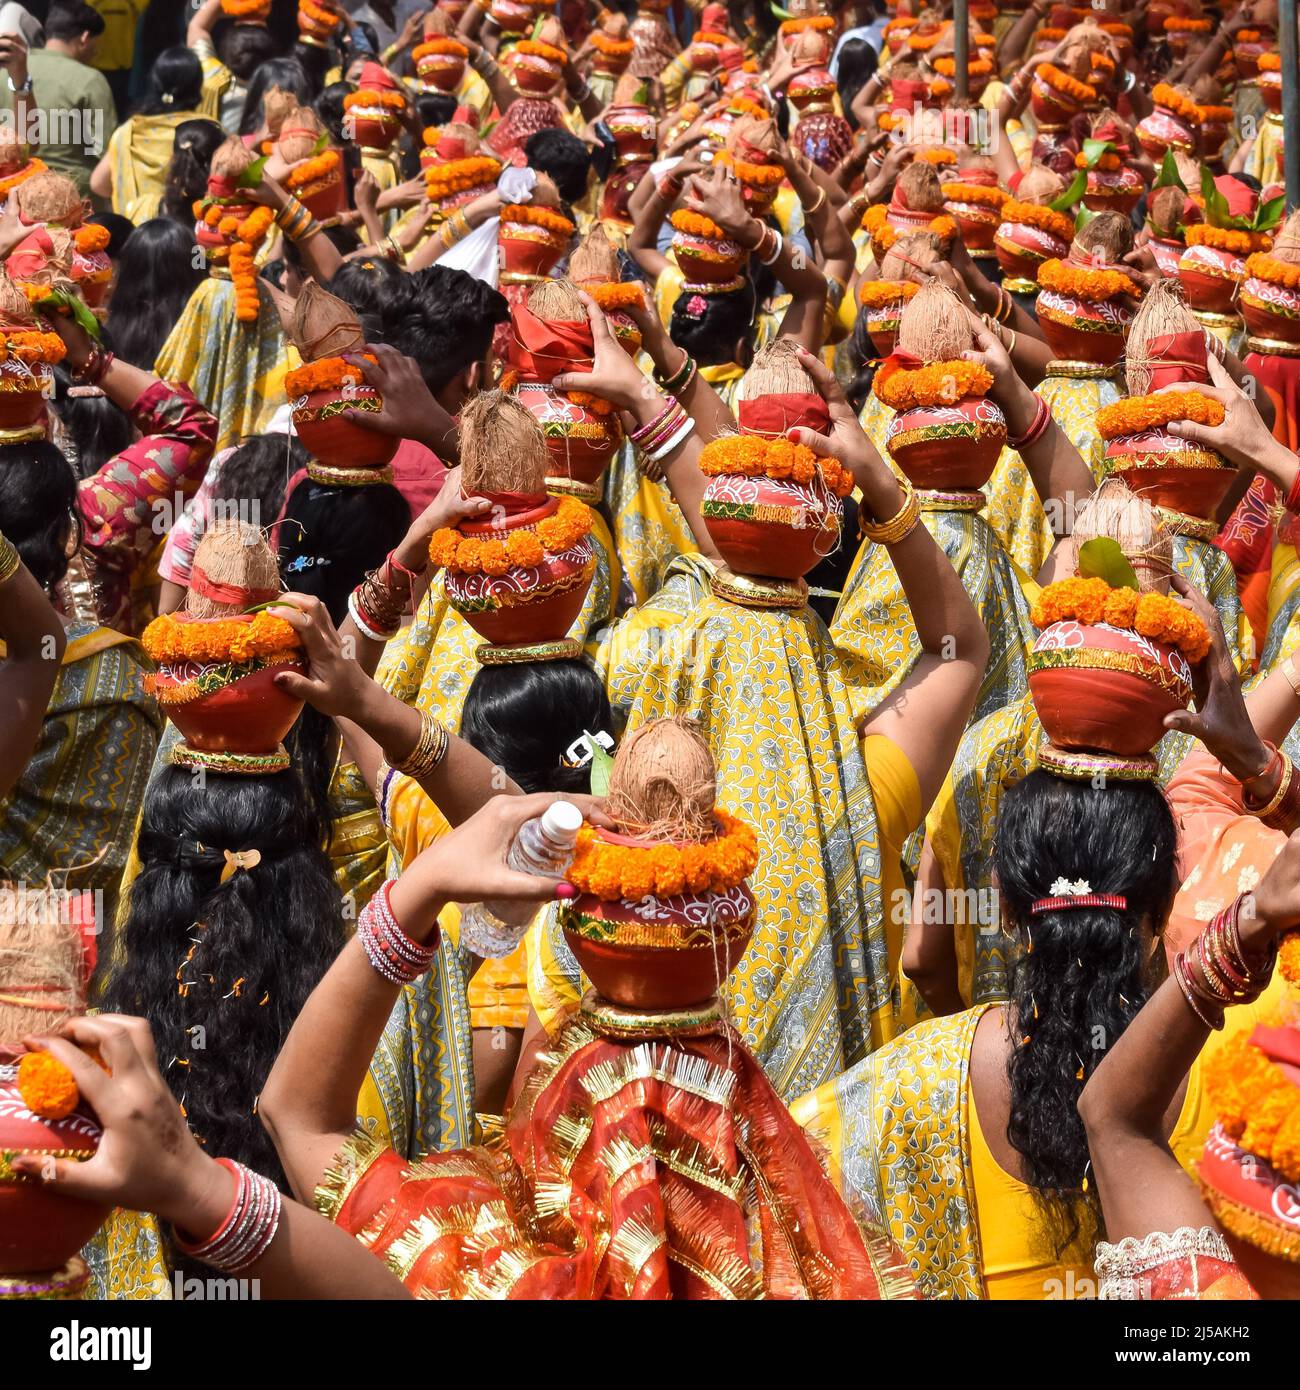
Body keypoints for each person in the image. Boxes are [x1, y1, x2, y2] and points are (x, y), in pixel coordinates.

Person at [90, 44, 204, 221]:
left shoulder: (130, 131)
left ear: (155, 82)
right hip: (192, 237)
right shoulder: (207, 130)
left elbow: (98, 184)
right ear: (198, 85)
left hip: (140, 237)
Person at [26, 1, 117, 195]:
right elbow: (108, 150)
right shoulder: (90, 79)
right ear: (84, 38)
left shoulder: (10, 72)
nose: (96, 52)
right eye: (96, 43)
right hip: (76, 197)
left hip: (18, 192)